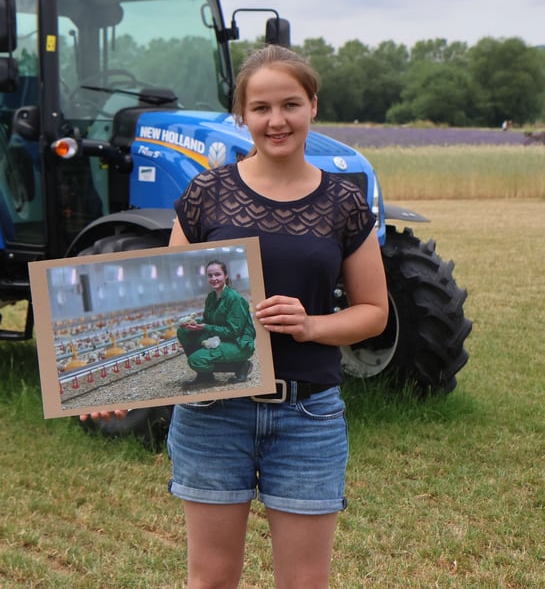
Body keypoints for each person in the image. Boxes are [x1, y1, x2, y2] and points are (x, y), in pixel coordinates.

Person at [165, 44, 389, 587]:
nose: (276, 120)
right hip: (213, 412)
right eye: (261, 107)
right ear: (241, 115)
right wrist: (115, 394)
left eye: (290, 104)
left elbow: (375, 313)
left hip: (307, 418)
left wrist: (311, 325)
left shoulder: (345, 203)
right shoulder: (204, 196)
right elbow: (168, 314)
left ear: (313, 105)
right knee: (211, 580)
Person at [176, 259, 256, 387]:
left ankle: (241, 366)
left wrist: (205, 327)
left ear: (226, 276)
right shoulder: (211, 297)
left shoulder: (235, 299)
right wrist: (194, 324)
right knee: (183, 331)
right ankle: (205, 375)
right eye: (210, 275)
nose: (214, 278)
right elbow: (208, 321)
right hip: (220, 336)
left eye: (217, 274)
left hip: (237, 342)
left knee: (195, 361)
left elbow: (233, 331)